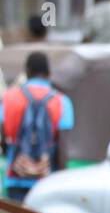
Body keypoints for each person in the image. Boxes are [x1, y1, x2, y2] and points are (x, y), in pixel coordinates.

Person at [2, 53, 74, 203]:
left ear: (27, 71)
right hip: (47, 183)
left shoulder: (9, 98)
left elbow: (2, 139)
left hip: (15, 179)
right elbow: (62, 149)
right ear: (49, 74)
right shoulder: (62, 101)